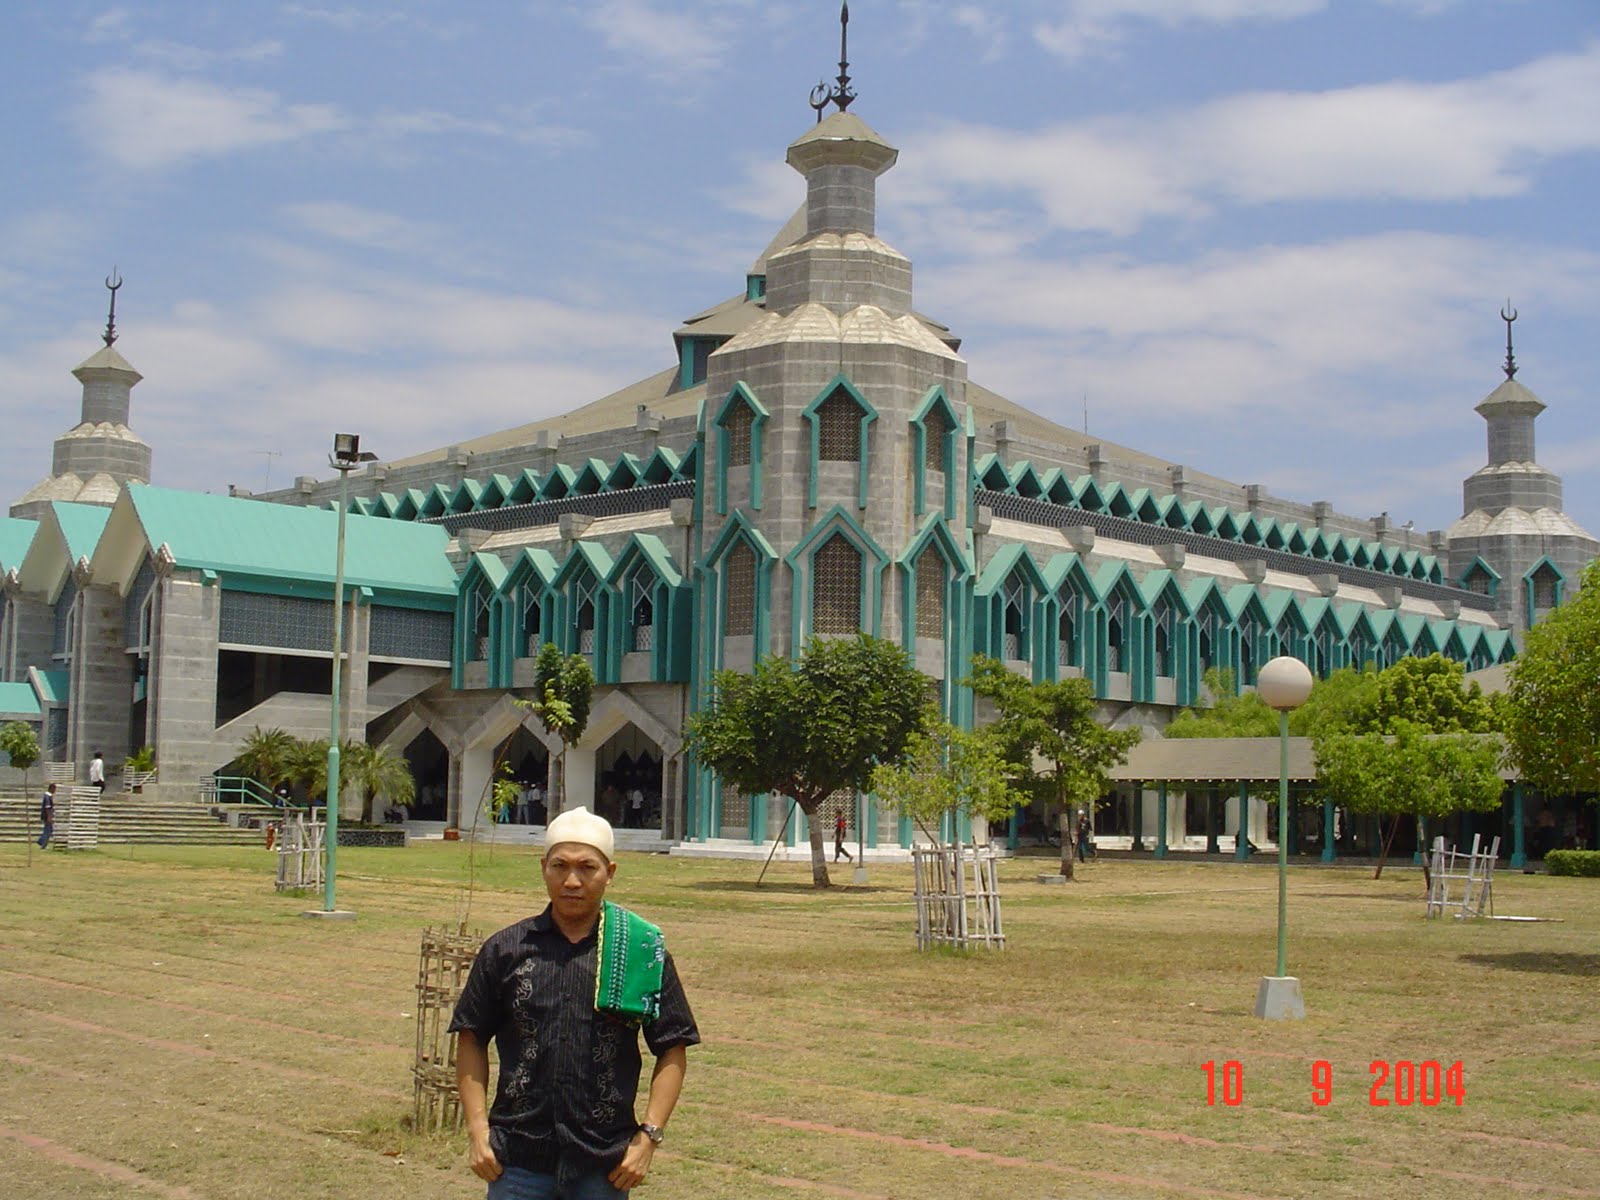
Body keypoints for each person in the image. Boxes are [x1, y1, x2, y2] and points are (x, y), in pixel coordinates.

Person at [452, 806, 698, 1199]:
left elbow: (672, 1046)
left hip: (603, 1165)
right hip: (517, 1161)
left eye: (587, 867)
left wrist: (648, 1138)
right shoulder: (506, 949)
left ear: (610, 873)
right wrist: (478, 1131)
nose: (572, 880)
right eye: (559, 866)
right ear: (543, 867)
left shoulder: (638, 951)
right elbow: (471, 1036)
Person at [38, 784, 55, 849]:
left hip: (46, 816)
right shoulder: (47, 797)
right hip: (47, 816)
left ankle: (42, 842)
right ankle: (42, 842)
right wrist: (49, 817)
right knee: (48, 830)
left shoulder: (47, 796)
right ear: (51, 788)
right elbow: (48, 808)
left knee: (48, 830)